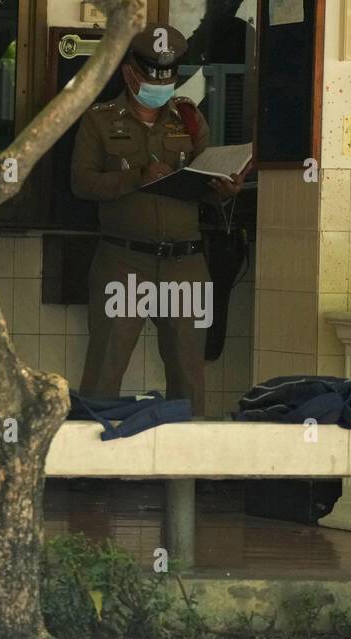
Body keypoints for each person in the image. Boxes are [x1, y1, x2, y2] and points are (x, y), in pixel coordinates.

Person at [71, 22, 245, 417]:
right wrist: (135, 178)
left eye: (166, 78)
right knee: (105, 368)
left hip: (186, 262)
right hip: (123, 261)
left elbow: (204, 178)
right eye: (150, 76)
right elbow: (81, 183)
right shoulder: (99, 120)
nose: (159, 85)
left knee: (188, 373)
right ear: (129, 71)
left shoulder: (189, 119)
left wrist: (223, 188)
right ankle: (92, 473)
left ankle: (184, 474)